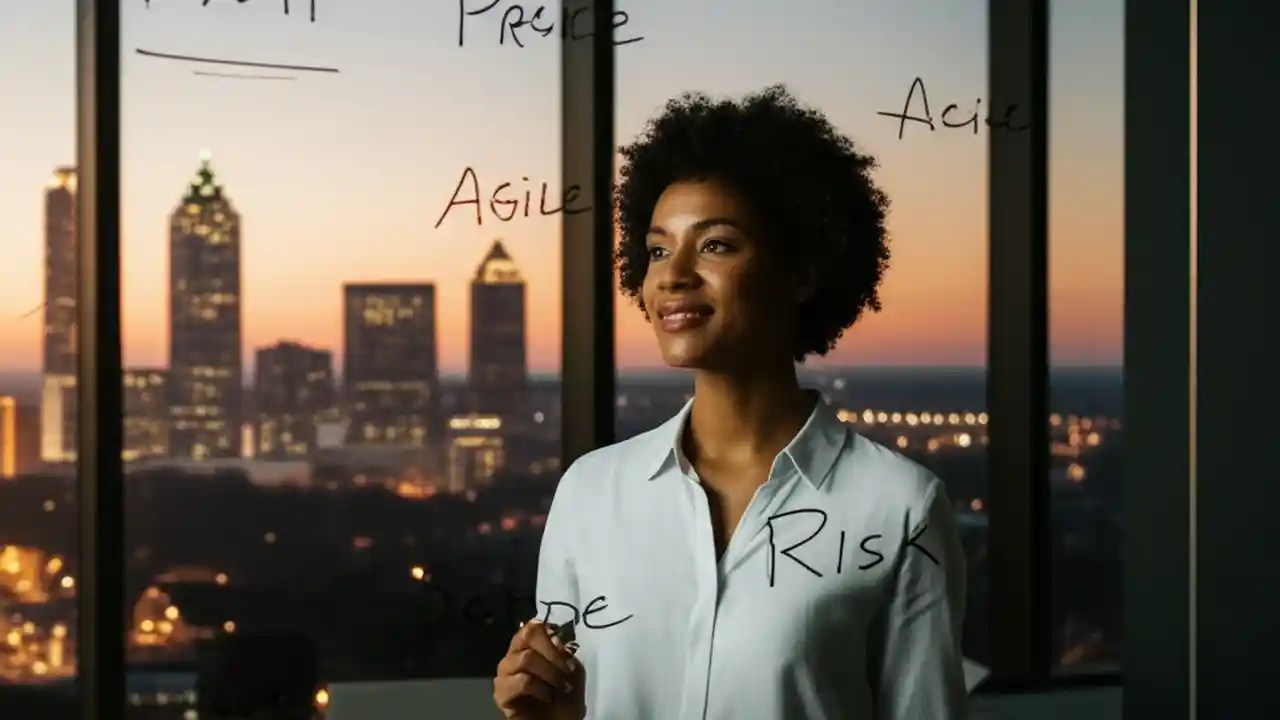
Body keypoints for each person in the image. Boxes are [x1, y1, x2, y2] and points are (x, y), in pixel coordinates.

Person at [492, 84, 967, 720]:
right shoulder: (590, 492)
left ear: (800, 271)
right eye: (658, 249)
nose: (672, 274)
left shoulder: (901, 507)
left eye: (714, 244)